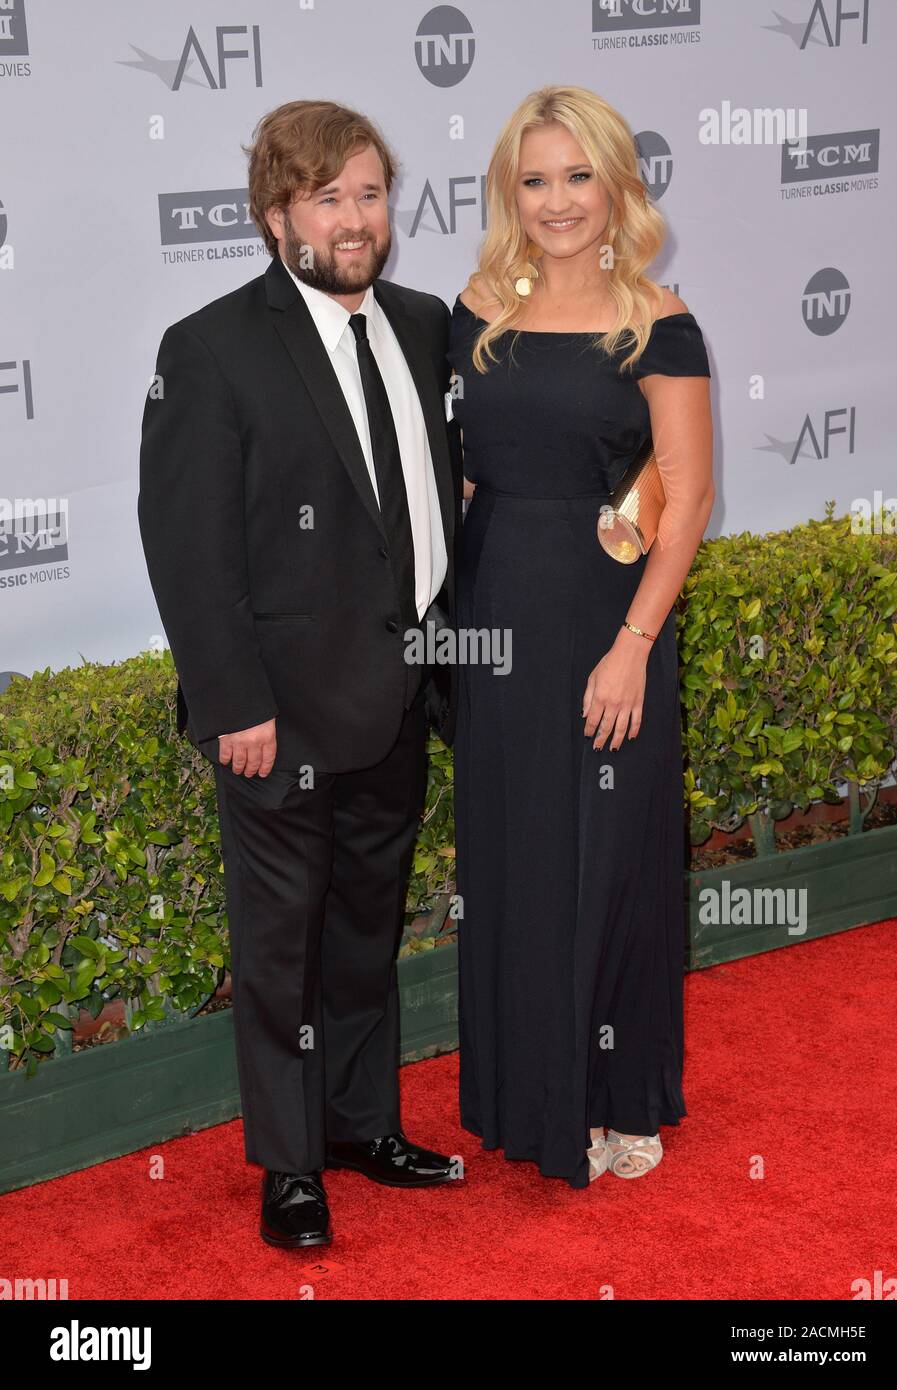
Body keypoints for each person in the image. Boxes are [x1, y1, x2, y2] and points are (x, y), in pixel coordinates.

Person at [138, 100, 464, 1247]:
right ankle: (290, 1169)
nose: (355, 218)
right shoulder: (211, 348)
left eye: (369, 193)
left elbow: (430, 506)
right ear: (278, 215)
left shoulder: (423, 325)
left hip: (398, 699)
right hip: (279, 718)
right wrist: (234, 703)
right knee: (281, 945)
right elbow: (187, 545)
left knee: (368, 929)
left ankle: (360, 1125)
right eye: (328, 198)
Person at [447, 85, 714, 1189]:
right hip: (492, 614)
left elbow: (688, 499)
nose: (557, 201)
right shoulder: (476, 313)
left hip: (606, 623)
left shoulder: (660, 321)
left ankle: (614, 1093)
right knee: (514, 856)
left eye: (577, 176)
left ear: (616, 185)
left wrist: (634, 645)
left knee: (608, 863)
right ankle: (527, 1097)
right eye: (534, 178)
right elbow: (461, 480)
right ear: (511, 190)